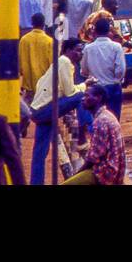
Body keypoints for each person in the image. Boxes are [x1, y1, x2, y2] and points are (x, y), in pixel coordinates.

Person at [30, 39, 86, 185]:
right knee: (81, 97)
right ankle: (85, 130)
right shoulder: (65, 62)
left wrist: (82, 86)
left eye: (81, 50)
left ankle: (36, 182)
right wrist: (85, 86)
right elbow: (70, 93)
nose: (80, 54)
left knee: (40, 152)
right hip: (46, 109)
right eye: (77, 50)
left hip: (39, 110)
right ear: (67, 50)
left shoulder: (60, 63)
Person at [62, 84, 126, 186]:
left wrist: (78, 173)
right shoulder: (107, 115)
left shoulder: (100, 121)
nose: (83, 99)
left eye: (87, 96)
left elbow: (94, 157)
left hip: (105, 173)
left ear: (98, 98)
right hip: (116, 171)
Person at [81, 16, 126, 118]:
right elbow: (121, 69)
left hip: (95, 88)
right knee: (114, 117)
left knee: (96, 117)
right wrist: (116, 79)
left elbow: (83, 70)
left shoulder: (88, 48)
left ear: (95, 31)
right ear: (109, 31)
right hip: (113, 86)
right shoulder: (116, 47)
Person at [19, 13, 53, 97]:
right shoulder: (49, 41)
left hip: (28, 84)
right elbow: (52, 64)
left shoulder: (24, 40)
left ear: (32, 23)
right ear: (43, 24)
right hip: (44, 83)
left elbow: (19, 61)